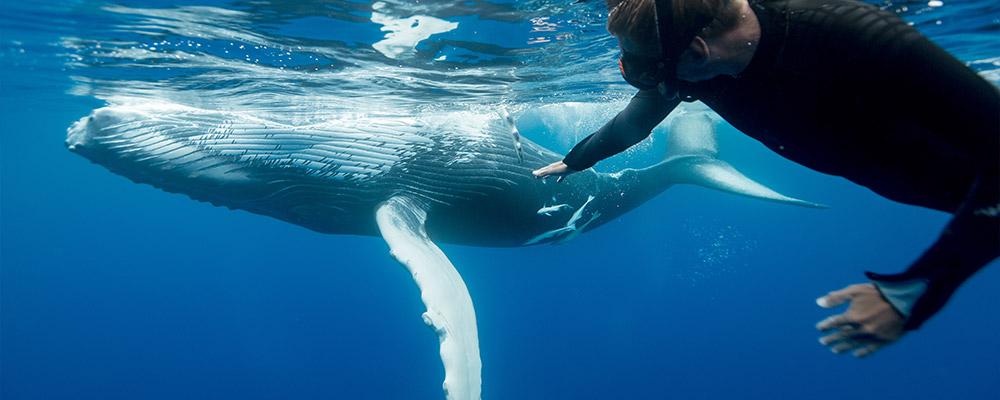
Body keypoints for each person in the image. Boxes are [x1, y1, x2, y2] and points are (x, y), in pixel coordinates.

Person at [533, 0, 999, 358]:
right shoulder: (692, 57)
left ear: (697, 54)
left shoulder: (856, 38)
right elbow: (639, 118)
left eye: (650, 72)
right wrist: (579, 159)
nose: (655, 85)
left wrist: (911, 293)